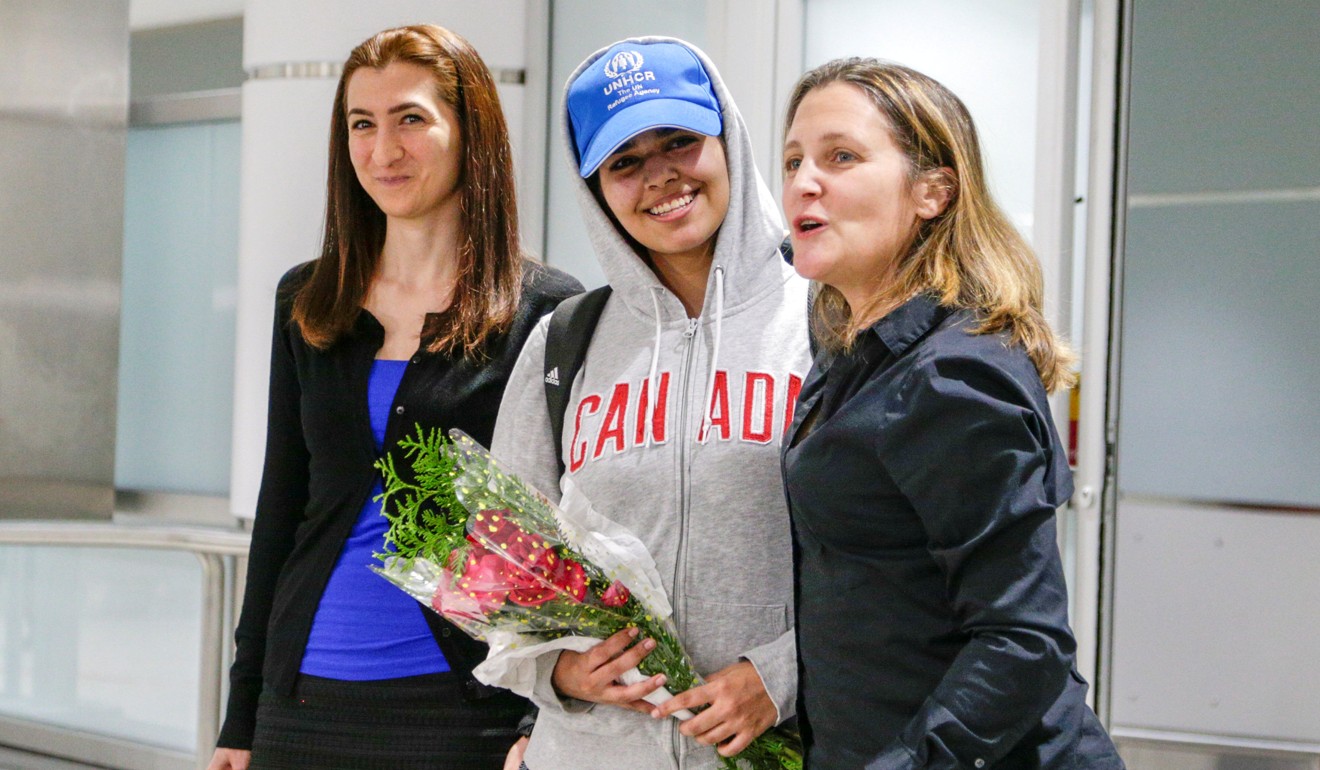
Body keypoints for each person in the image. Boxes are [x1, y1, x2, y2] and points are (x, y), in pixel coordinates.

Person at [207, 24, 581, 770]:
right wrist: (240, 716)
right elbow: (283, 504)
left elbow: (561, 531)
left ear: (469, 131)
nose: (383, 151)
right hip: (301, 701)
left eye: (411, 119)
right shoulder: (309, 301)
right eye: (362, 124)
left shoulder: (547, 311)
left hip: (464, 705)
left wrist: (543, 717)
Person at [779, 58, 1125, 768]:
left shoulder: (952, 377)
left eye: (840, 156)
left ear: (933, 191)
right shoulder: (853, 350)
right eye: (793, 160)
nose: (803, 182)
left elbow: (1023, 640)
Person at [489, 37, 811, 770]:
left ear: (727, 138)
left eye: (680, 141)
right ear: (596, 187)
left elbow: (893, 564)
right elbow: (500, 564)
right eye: (625, 162)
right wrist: (556, 672)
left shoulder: (826, 322)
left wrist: (782, 675)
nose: (661, 176)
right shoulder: (564, 343)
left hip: (778, 750)